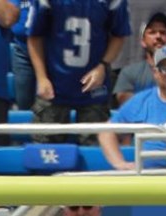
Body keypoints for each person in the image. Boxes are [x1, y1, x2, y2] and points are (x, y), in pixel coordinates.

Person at [30, 0, 130, 129]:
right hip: (54, 86)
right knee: (47, 147)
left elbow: (119, 35)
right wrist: (41, 77)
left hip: (93, 88)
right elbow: (34, 36)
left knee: (95, 146)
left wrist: (102, 65)